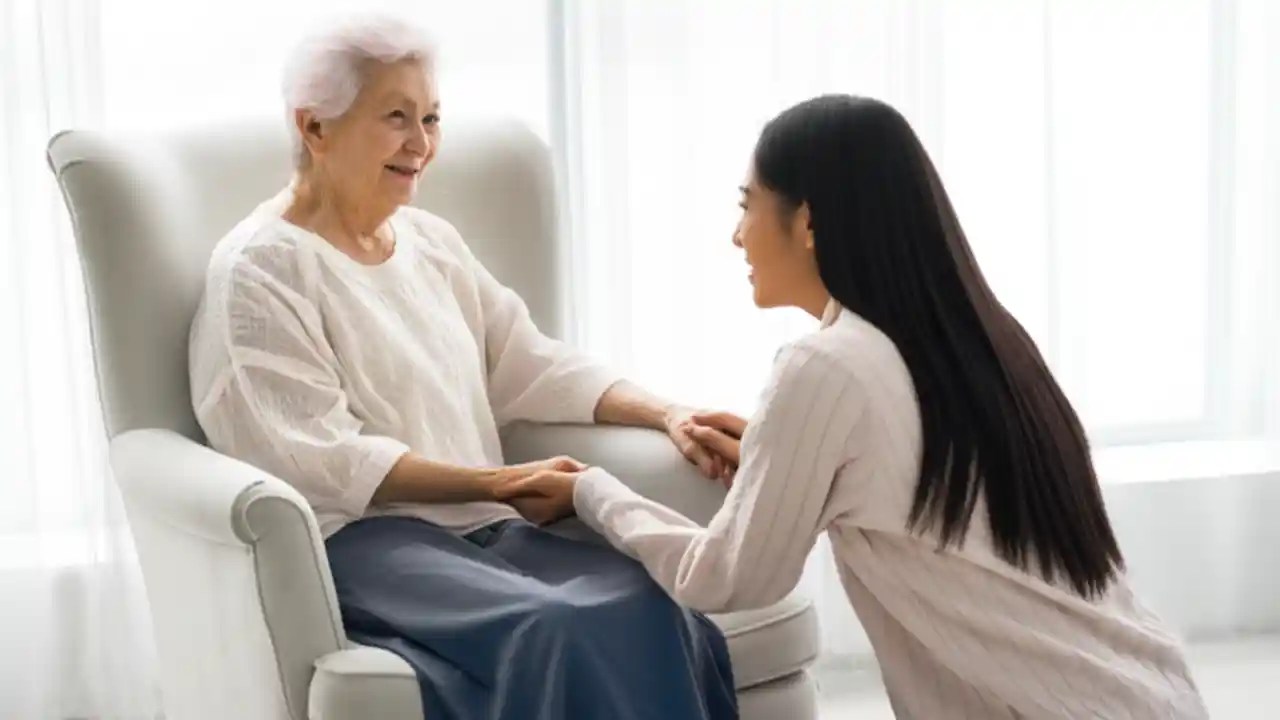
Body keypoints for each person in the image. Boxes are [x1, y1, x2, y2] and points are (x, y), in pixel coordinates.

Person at [496, 94, 1210, 719]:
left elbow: (728, 578)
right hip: (1153, 692)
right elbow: (924, 496)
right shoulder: (981, 337)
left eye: (747, 207)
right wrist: (777, 460)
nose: (737, 236)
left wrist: (592, 492)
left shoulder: (825, 364)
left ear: (806, 220)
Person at [188, 16, 737, 720]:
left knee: (653, 599)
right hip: (366, 543)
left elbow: (529, 362)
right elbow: (325, 459)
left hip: (486, 534)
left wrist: (669, 413)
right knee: (553, 628)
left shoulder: (429, 242)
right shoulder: (261, 271)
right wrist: (503, 481)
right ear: (315, 128)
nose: (421, 144)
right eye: (396, 117)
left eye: (432, 118)